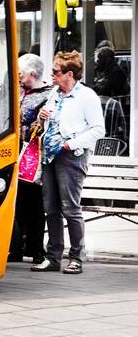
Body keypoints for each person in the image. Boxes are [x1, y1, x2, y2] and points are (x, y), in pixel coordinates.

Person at [34, 50, 106, 274]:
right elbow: (46, 124)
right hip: (49, 155)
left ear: (70, 74)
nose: (52, 76)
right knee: (51, 209)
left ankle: (76, 257)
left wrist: (71, 144)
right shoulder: (55, 94)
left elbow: (98, 130)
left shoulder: (87, 97)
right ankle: (53, 256)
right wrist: (41, 116)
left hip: (71, 156)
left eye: (56, 72)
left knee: (70, 208)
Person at [9, 53, 51, 264]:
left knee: (33, 203)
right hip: (13, 153)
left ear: (32, 74)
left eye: (21, 74)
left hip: (33, 156)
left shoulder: (48, 95)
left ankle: (35, 248)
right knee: (16, 203)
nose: (18, 77)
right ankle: (15, 247)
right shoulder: (18, 90)